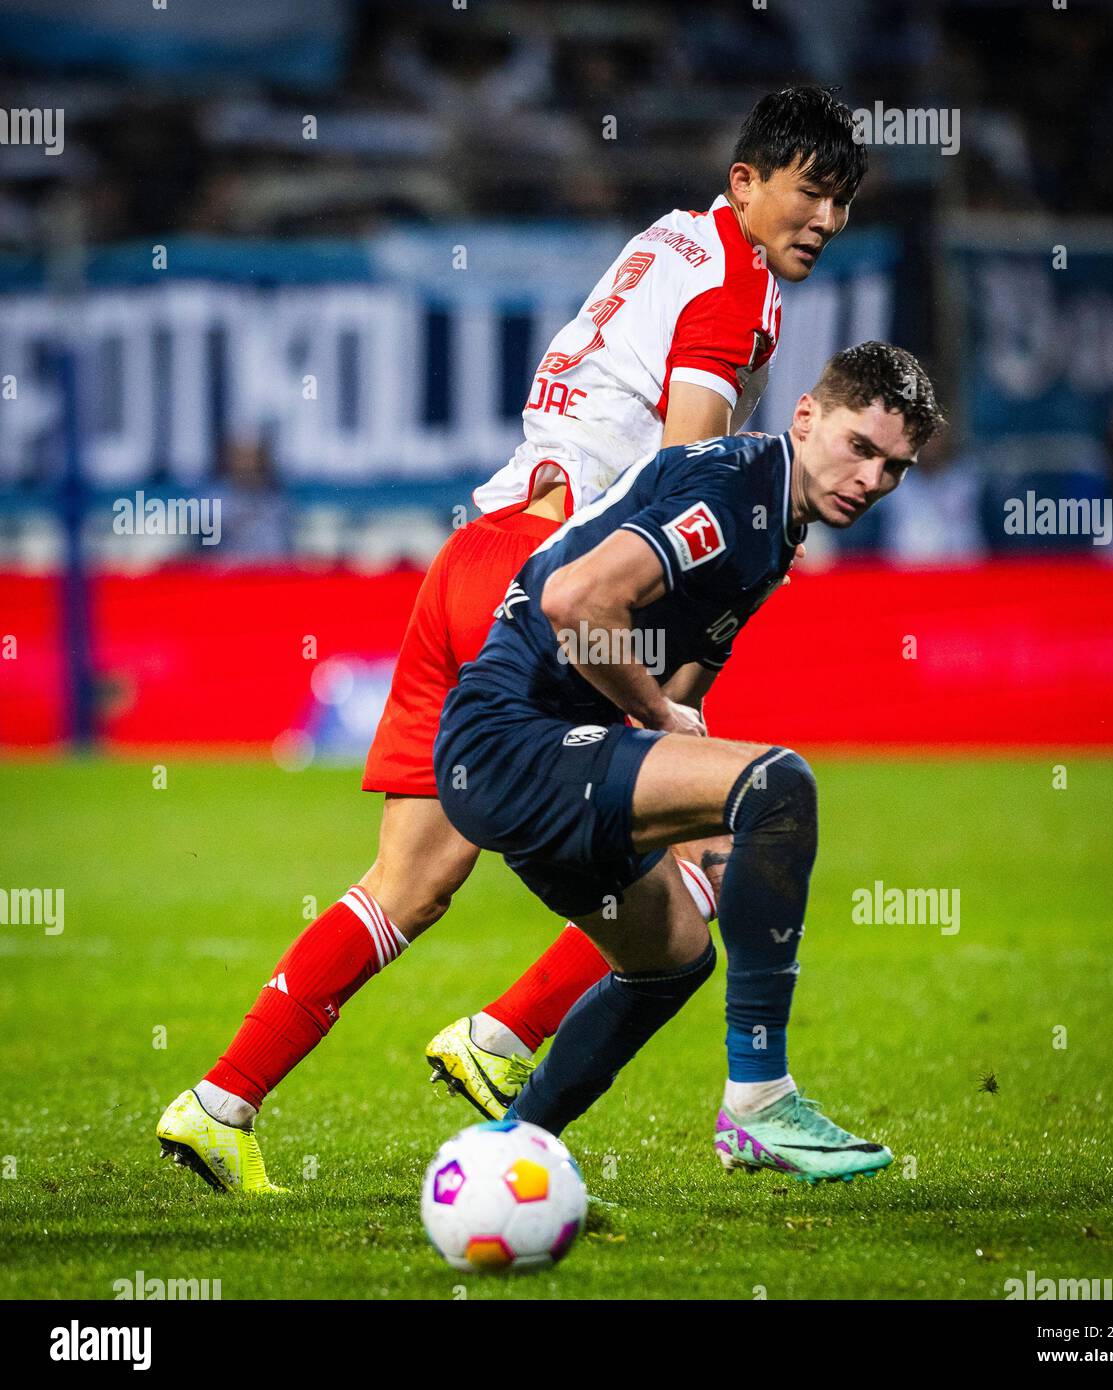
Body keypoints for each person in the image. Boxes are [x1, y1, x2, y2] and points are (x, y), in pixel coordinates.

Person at [155, 86, 867, 1193]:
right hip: (545, 589)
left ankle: (220, 1100)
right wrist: (683, 654)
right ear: (747, 181)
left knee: (409, 881)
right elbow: (686, 472)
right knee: (719, 839)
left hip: (476, 550)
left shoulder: (669, 242)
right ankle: (512, 1042)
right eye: (809, 191)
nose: (825, 219)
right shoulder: (738, 290)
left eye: (842, 202)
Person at [435, 342, 944, 1181]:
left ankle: (501, 1160)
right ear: (807, 416)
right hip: (515, 741)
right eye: (861, 448)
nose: (873, 480)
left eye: (895, 468)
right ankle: (760, 1100)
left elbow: (681, 671)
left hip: (547, 750)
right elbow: (576, 600)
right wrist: (655, 714)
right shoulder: (737, 491)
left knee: (670, 960)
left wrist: (675, 722)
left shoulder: (776, 525)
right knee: (779, 788)